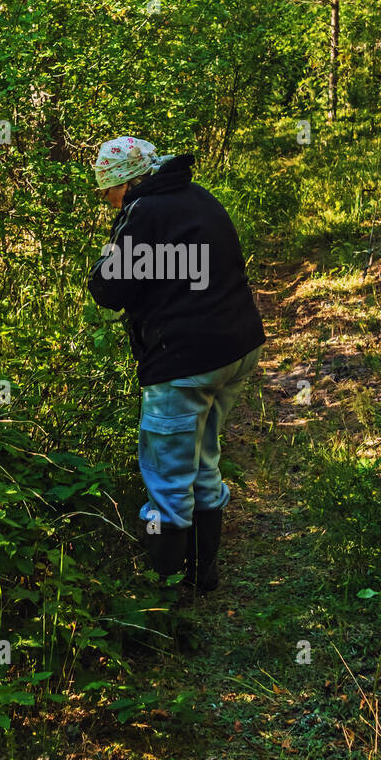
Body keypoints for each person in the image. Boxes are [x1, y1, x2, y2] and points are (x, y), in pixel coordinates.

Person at [87, 136, 265, 592]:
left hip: (184, 362)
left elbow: (108, 289)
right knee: (203, 459)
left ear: (126, 183)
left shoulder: (143, 212)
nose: (107, 202)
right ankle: (203, 578)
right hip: (236, 350)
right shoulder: (198, 196)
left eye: (107, 190)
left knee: (166, 481)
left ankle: (163, 597)